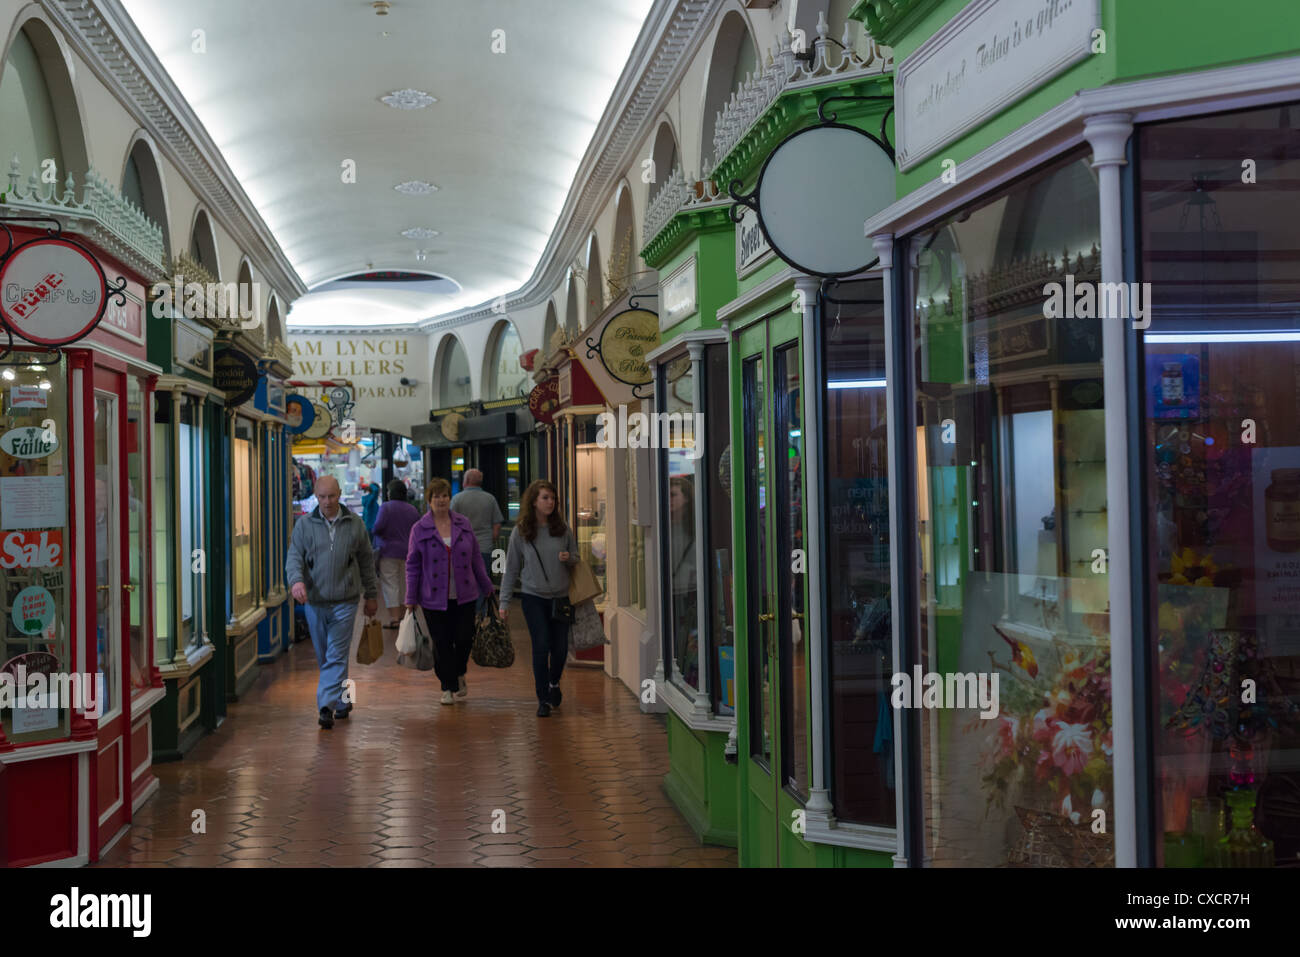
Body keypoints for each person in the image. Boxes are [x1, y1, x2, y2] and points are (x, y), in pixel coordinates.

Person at [286, 475, 379, 729]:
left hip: (345, 601)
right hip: (315, 602)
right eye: (322, 497)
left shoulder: (355, 524)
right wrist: (296, 581)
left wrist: (371, 594)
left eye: (332, 496)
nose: (327, 502)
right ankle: (343, 699)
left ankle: (325, 707)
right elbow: (294, 556)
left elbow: (366, 561)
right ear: (316, 497)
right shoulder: (304, 525)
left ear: (340, 494)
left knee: (336, 654)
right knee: (326, 655)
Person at [406, 478, 495, 705]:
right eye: (436, 496)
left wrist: (487, 586)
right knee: (442, 643)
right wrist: (410, 596)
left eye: (445, 495)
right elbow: (413, 564)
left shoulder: (463, 524)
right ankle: (447, 686)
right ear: (429, 500)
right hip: (432, 598)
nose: (441, 500)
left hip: (464, 595)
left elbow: (476, 558)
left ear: (450, 498)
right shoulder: (420, 529)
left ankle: (459, 671)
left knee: (465, 638)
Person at [498, 479, 577, 717]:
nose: (550, 502)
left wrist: (569, 558)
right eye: (545, 498)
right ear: (534, 501)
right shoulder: (521, 531)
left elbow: (576, 558)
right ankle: (542, 698)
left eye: (553, 498)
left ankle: (554, 682)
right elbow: (511, 568)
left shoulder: (562, 528)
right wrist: (503, 601)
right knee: (541, 646)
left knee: (561, 649)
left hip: (561, 598)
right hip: (533, 598)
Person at [450, 468, 503, 608]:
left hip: (462, 548)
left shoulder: (457, 499)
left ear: (466, 481)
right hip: (484, 547)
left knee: (463, 580)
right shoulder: (490, 498)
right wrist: (490, 539)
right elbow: (497, 525)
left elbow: (450, 524)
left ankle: (466, 609)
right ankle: (481, 612)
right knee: (482, 580)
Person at [371, 479, 420, 630]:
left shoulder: (386, 507)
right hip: (409, 553)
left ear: (391, 493)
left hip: (389, 551)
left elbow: (377, 527)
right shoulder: (413, 510)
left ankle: (394, 619)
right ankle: (405, 618)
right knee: (404, 585)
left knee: (391, 585)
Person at [669, 475, 698, 687]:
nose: (669, 500)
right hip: (670, 590)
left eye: (673, 495)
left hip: (690, 591)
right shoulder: (665, 528)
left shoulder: (695, 529)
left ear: (686, 498)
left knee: (688, 638)